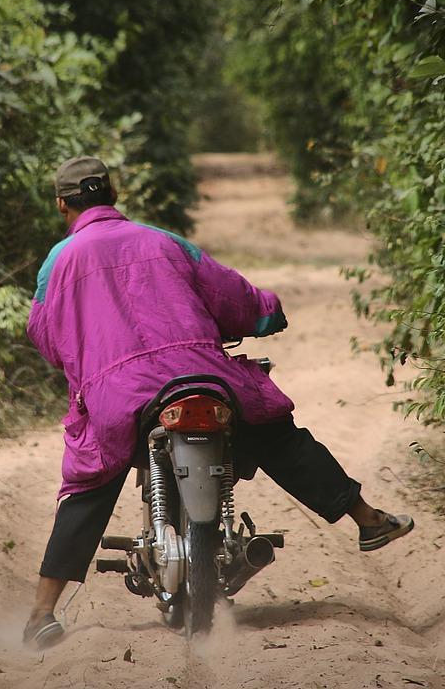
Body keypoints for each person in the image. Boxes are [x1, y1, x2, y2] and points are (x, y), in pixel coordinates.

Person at [22, 156, 413, 649]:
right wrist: (267, 311)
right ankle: (368, 519)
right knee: (277, 436)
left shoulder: (58, 262)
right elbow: (233, 297)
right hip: (201, 375)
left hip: (120, 394)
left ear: (62, 203)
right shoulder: (165, 241)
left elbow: (44, 334)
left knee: (90, 482)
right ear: (114, 194)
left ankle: (42, 614)